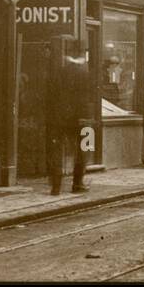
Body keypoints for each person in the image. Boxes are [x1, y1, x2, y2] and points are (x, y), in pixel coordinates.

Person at [47, 37, 91, 195]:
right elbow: (90, 96)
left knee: (56, 149)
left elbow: (51, 94)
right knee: (85, 148)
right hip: (83, 117)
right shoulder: (87, 72)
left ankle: (56, 186)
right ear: (83, 53)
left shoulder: (61, 70)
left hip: (60, 116)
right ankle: (78, 183)